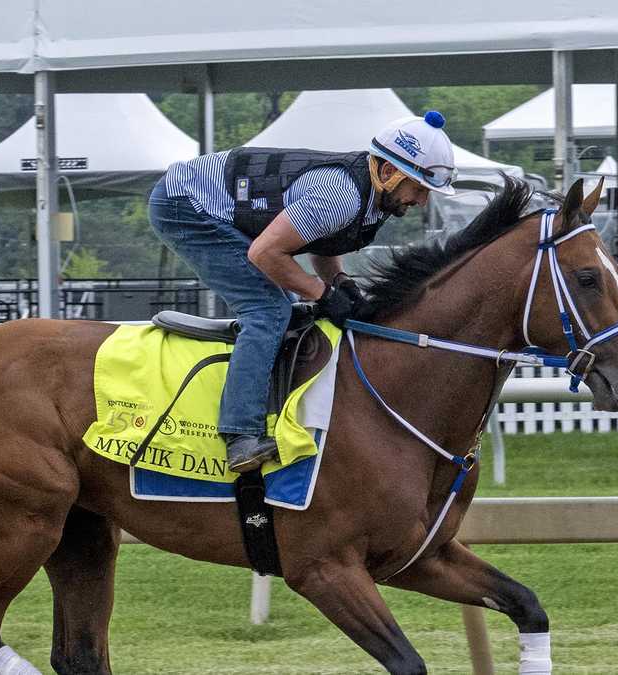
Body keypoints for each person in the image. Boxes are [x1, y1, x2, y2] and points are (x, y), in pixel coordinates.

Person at [148, 111, 458, 473]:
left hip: (215, 203)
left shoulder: (374, 197)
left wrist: (341, 282)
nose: (422, 200)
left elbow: (322, 241)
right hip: (185, 204)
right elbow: (264, 253)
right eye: (419, 188)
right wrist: (322, 293)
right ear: (389, 172)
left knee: (293, 308)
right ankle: (240, 436)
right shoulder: (341, 196)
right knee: (269, 311)